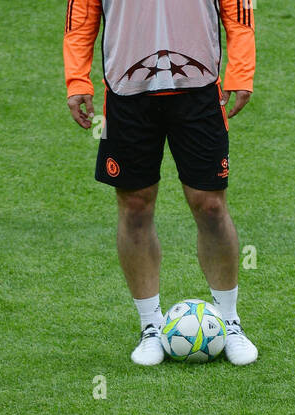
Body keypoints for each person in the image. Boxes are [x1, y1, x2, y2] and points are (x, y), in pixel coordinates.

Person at [64, 0, 258, 366]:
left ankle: (229, 321)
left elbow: (238, 9)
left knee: (211, 206)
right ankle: (150, 325)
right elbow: (81, 14)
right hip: (127, 89)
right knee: (135, 206)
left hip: (198, 86)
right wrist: (77, 78)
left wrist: (241, 71)